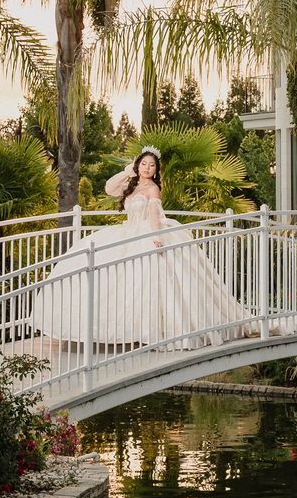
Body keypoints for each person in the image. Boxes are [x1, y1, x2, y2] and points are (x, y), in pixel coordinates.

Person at [32, 146, 258, 349]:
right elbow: (109, 188)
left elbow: (154, 215)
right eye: (144, 164)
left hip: (147, 231)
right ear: (138, 165)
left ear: (156, 170)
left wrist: (156, 237)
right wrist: (127, 171)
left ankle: (155, 331)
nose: (147, 168)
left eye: (152, 165)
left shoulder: (152, 189)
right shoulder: (130, 185)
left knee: (149, 282)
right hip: (127, 231)